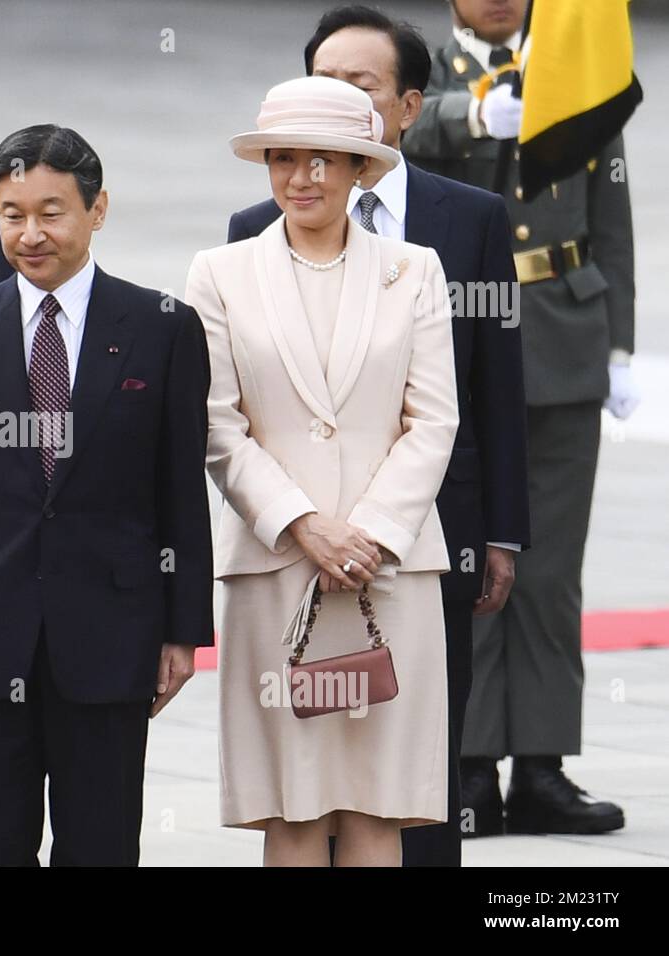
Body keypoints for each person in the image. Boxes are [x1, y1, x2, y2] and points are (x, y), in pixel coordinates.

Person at [227, 4, 530, 865]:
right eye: (321, 84)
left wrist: (500, 528)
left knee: (412, 769)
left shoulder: (464, 221)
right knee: (297, 785)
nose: (334, 106)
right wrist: (300, 523)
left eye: (357, 86)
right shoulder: (249, 234)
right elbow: (227, 415)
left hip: (422, 533)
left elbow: (488, 390)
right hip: (286, 545)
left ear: (401, 108)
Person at [0, 124, 213, 866]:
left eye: (51, 212)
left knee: (99, 844)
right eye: (11, 214)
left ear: (97, 211)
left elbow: (180, 492)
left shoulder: (161, 329)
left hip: (110, 634)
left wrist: (182, 630)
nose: (29, 234)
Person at [188, 76, 459, 866]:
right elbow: (216, 421)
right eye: (284, 159)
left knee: (381, 807)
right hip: (277, 565)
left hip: (390, 571)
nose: (302, 177)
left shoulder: (415, 269)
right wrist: (306, 525)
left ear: (359, 170)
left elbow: (434, 419)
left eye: (323, 160)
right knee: (293, 810)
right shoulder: (220, 272)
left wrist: (366, 534)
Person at [404, 0, 632, 836]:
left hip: (566, 333)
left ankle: (542, 763)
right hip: (459, 337)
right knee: (469, 557)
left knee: (551, 570)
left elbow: (614, 217)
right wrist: (474, 115)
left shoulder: (574, 67)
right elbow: (393, 125)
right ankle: (467, 768)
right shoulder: (427, 69)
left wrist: (623, 345)